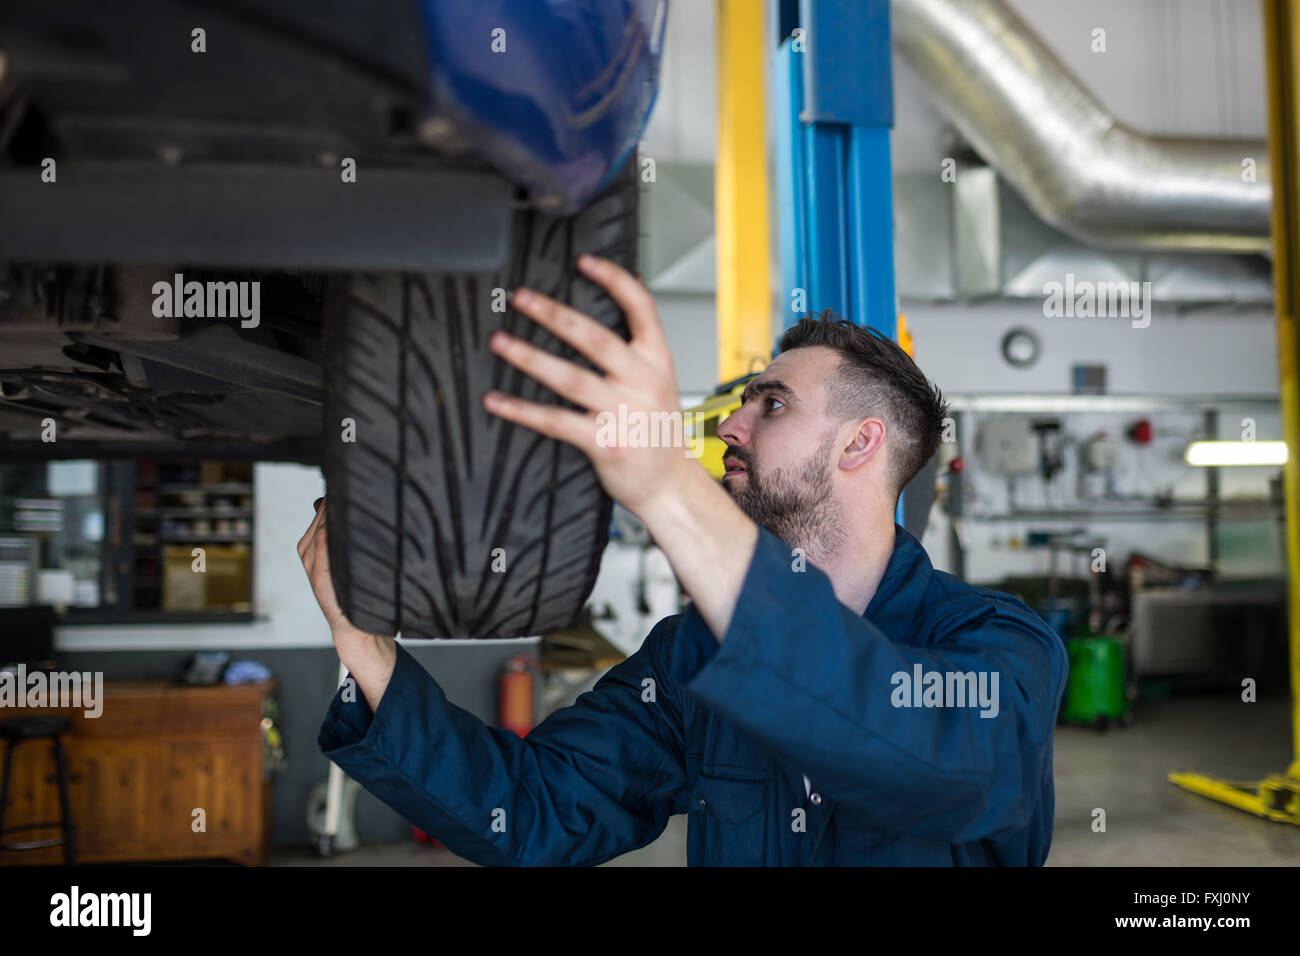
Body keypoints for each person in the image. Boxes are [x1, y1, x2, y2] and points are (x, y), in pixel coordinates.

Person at [300, 254, 1068, 865]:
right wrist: (364, 647)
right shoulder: (687, 661)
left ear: (859, 442)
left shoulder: (998, 645)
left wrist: (667, 485)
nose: (730, 424)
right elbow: (532, 810)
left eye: (771, 404)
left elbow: (931, 764)